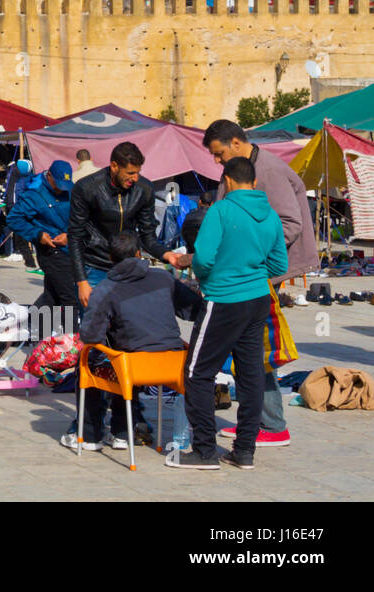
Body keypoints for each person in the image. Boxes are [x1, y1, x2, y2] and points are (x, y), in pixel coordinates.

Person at [203, 119, 317, 449]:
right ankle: (256, 422)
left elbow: (290, 224)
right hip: (247, 272)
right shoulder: (241, 169)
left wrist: (246, 254)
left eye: (219, 153)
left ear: (236, 143)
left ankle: (272, 424)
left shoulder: (269, 170)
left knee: (256, 351)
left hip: (260, 274)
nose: (217, 161)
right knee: (247, 350)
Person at [169, 156, 286, 470]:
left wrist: (209, 279)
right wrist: (251, 273)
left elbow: (203, 258)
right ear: (254, 182)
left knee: (197, 373)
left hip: (223, 299)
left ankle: (205, 451)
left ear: (227, 181)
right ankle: (244, 450)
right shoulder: (271, 215)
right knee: (251, 376)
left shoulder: (221, 210)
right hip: (258, 299)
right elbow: (279, 265)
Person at [67, 141, 181, 443]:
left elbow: (147, 235)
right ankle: (88, 421)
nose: (134, 178)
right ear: (114, 166)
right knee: (93, 344)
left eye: (138, 173)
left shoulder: (143, 189)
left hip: (129, 266)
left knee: (128, 341)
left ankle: (126, 418)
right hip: (94, 265)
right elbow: (75, 236)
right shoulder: (88, 188)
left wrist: (165, 254)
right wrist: (81, 280)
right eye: (129, 173)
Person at [64, 231, 203, 451]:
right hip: (172, 363)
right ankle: (121, 432)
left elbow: (90, 335)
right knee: (122, 351)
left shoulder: (106, 289)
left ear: (110, 258)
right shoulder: (164, 278)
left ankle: (90, 436)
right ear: (139, 254)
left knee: (91, 361)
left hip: (133, 367)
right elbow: (193, 310)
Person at [7, 160, 76, 327]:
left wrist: (69, 234)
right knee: (69, 298)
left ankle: (37, 339)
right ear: (49, 175)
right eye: (58, 184)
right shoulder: (34, 194)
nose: (61, 189)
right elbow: (14, 219)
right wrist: (37, 235)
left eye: (64, 185)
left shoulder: (70, 190)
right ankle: (72, 345)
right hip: (51, 251)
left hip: (71, 249)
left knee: (51, 297)